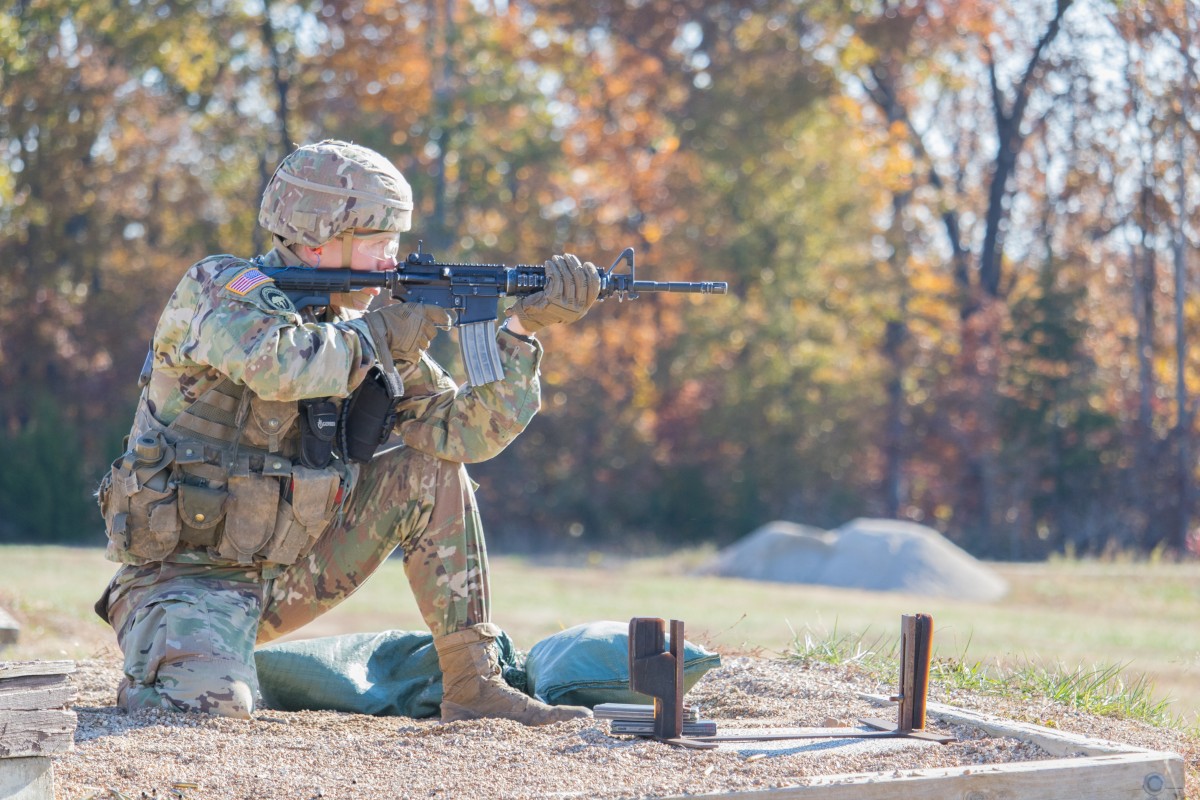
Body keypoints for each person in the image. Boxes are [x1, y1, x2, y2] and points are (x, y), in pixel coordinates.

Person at [94, 139, 600, 725]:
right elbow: (281, 365)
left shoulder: (361, 328)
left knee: (428, 469)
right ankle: (174, 667)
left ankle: (474, 684)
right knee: (211, 706)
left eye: (395, 243)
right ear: (318, 237)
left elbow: (463, 434)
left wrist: (519, 332)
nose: (392, 260)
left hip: (291, 572)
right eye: (379, 242)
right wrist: (383, 337)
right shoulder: (221, 289)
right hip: (183, 579)